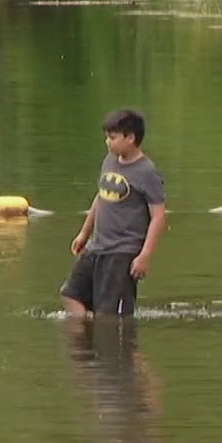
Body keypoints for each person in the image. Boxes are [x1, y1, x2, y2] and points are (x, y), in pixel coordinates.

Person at [63, 109, 166, 319]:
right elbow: (101, 196)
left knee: (109, 317)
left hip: (122, 252)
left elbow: (158, 216)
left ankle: (117, 348)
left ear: (130, 138)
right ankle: (88, 346)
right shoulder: (109, 161)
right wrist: (84, 233)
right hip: (97, 245)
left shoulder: (146, 172)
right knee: (71, 295)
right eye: (106, 137)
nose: (107, 142)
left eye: (112, 137)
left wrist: (144, 256)